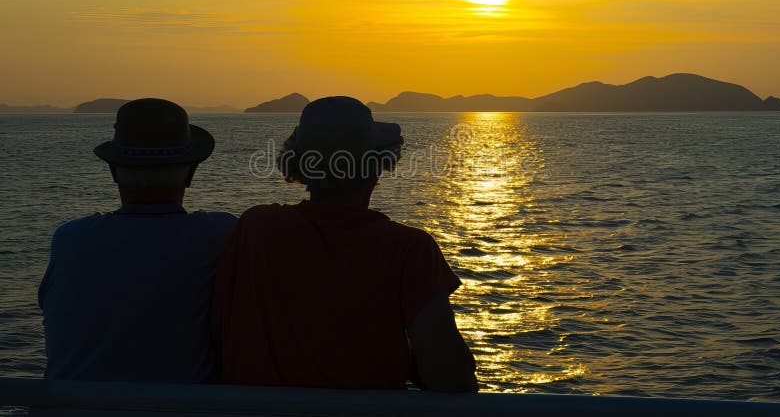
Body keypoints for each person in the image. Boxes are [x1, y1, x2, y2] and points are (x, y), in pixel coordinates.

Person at [214, 96, 477, 391]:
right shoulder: (408, 249)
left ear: (298, 165)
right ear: (378, 167)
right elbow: (452, 377)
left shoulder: (255, 228)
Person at [38, 98, 237, 382]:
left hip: (68, 407)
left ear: (114, 172)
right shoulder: (221, 234)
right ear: (191, 173)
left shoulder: (69, 239)